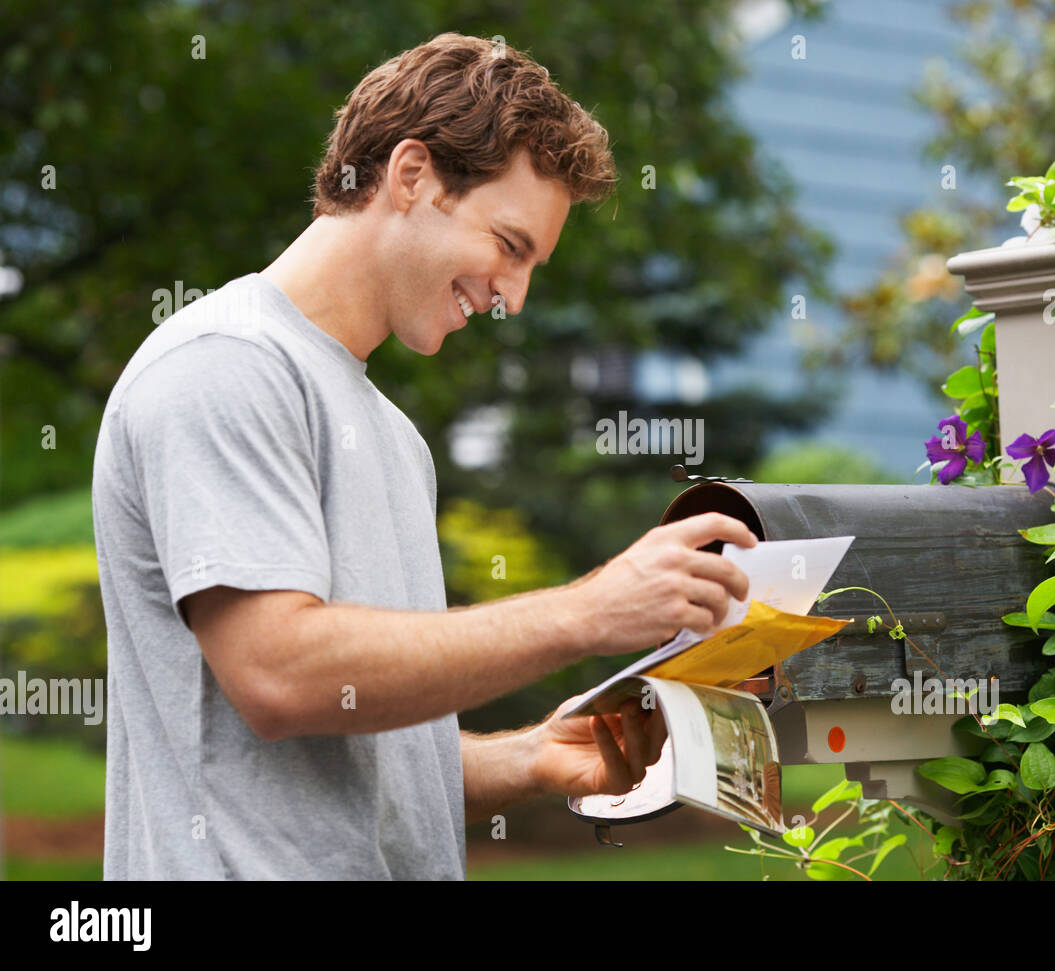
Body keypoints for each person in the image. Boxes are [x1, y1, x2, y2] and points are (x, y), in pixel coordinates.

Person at [91, 31, 755, 880]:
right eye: (510, 247)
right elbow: (280, 675)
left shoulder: (395, 438)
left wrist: (535, 757)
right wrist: (587, 612)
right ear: (412, 178)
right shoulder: (225, 368)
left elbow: (360, 744)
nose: (512, 297)